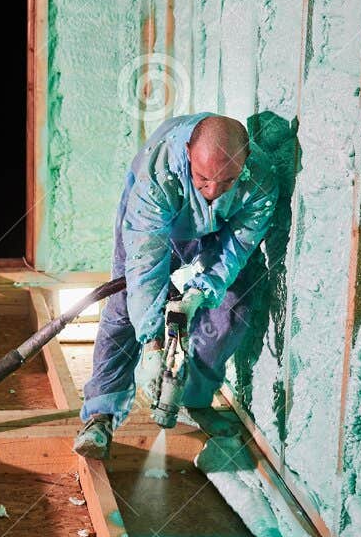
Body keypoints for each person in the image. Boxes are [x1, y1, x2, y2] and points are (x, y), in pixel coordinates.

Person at [74, 113, 278, 460]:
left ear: (245, 162)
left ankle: (193, 398)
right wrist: (152, 345)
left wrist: (199, 294)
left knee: (234, 306)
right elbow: (145, 268)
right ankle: (101, 413)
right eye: (202, 179)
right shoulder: (157, 175)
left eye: (227, 180)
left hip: (219, 227)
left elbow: (237, 248)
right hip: (160, 224)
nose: (213, 192)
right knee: (125, 305)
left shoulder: (261, 180)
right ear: (187, 153)